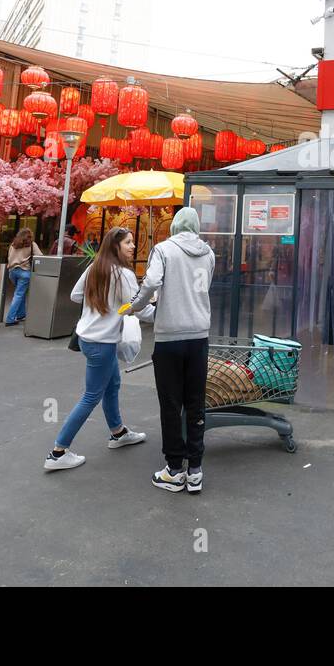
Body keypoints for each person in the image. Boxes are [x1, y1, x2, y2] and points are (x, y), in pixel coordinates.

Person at [45, 228, 147, 471]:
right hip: (102, 343)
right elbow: (139, 309)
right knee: (91, 396)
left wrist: (102, 303)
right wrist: (165, 314)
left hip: (87, 338)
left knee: (112, 385)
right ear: (115, 247)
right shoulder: (124, 274)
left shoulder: (95, 268)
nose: (133, 246)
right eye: (128, 243)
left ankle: (118, 432)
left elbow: (75, 296)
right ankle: (58, 452)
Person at [129, 207, 215, 494]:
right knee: (195, 403)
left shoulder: (164, 249)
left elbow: (152, 282)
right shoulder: (208, 253)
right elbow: (202, 290)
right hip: (198, 335)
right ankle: (196, 470)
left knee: (170, 403)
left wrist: (136, 305)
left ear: (176, 226)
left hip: (169, 337)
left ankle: (174, 470)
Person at [4, 229, 41, 327]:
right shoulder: (32, 245)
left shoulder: (13, 244)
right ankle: (10, 319)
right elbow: (40, 256)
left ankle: (21, 314)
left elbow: (9, 257)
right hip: (24, 272)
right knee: (19, 294)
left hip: (12, 272)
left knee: (20, 293)